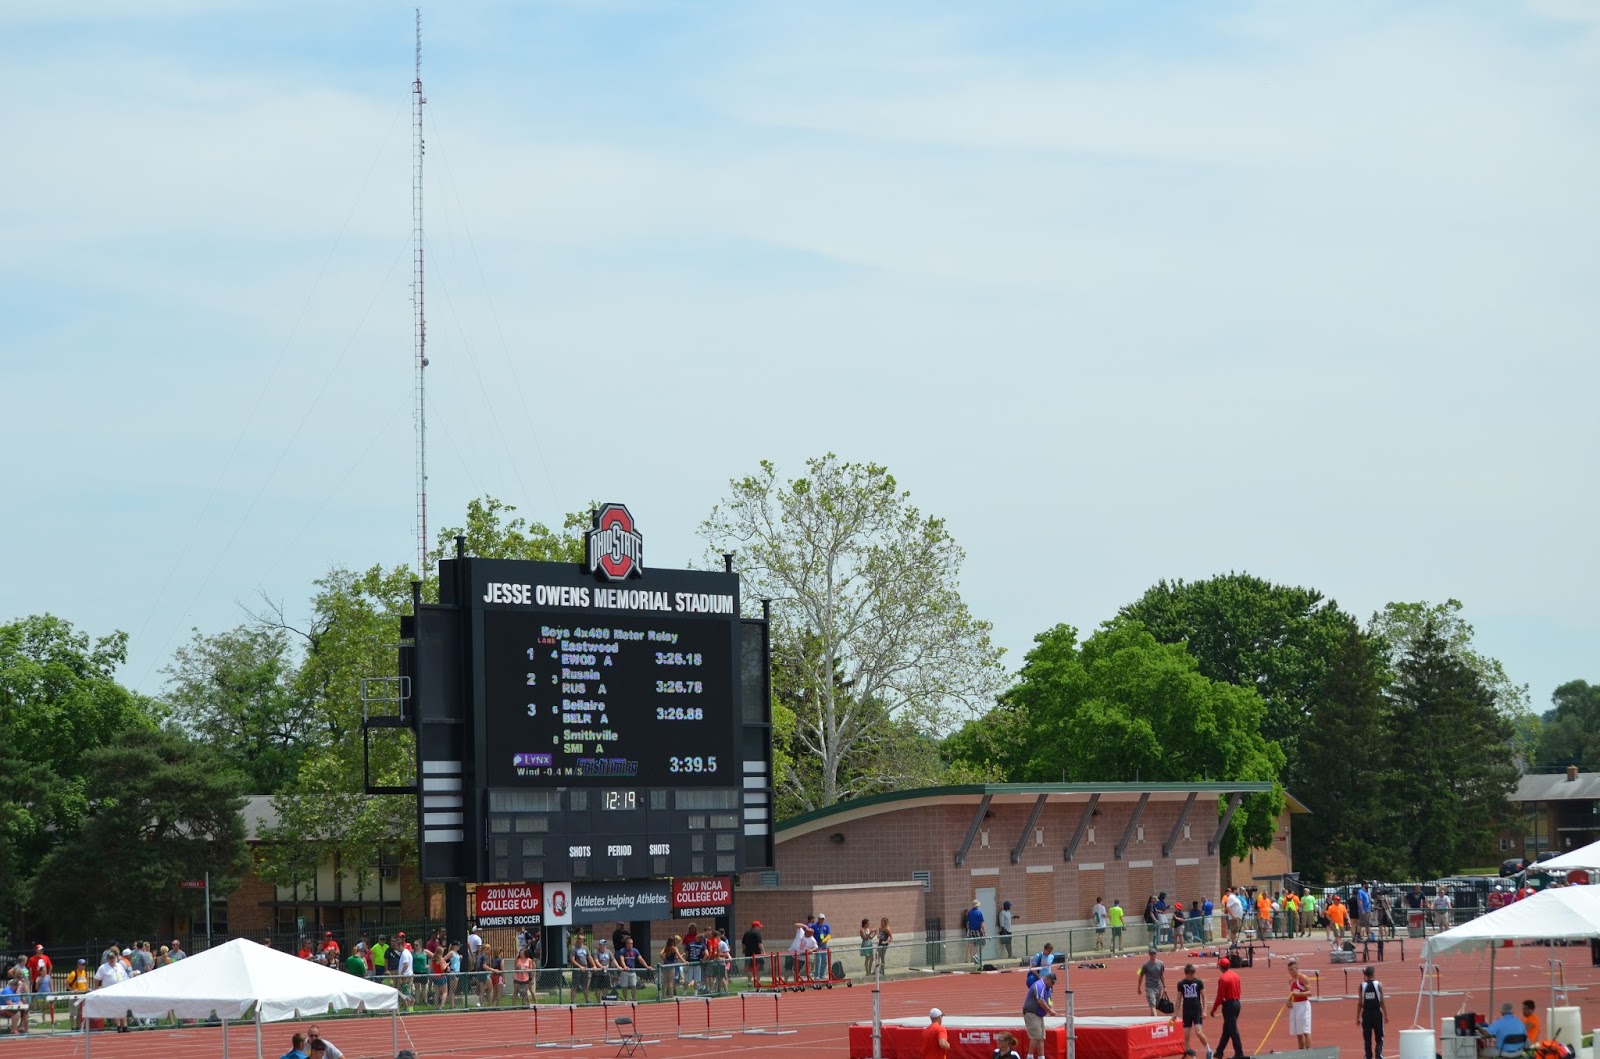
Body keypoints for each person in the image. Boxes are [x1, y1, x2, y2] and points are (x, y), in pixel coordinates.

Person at [1211, 958, 1244, 1059]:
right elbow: (1239, 990)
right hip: (1237, 1003)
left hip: (1229, 1005)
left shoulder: (1223, 979)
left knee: (1232, 1030)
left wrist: (1213, 1009)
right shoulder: (1235, 975)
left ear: (1221, 967)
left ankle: (1239, 1053)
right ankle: (1219, 1051)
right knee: (1227, 1029)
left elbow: (1220, 996)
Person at [1022, 970, 1058, 1059]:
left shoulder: (1048, 988)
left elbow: (1049, 1000)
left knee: (1041, 1037)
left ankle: (1041, 1056)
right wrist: (1050, 1011)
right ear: (1048, 979)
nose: (1053, 985)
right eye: (1052, 982)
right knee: (1035, 1036)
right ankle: (1030, 1056)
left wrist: (1052, 1008)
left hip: (1039, 1015)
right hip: (1031, 1013)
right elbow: (1040, 1001)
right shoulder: (1039, 986)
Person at [1177, 964, 1211, 1059]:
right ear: (1186, 974)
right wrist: (1175, 1013)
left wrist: (1205, 1011)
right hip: (1187, 1011)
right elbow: (1178, 999)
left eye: (1193, 974)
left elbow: (1204, 997)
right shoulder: (1181, 984)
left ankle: (1208, 1050)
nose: (1192, 975)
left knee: (1198, 1032)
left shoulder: (1198, 982)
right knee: (1186, 1035)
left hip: (1196, 1010)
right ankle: (1189, 1054)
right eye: (1190, 974)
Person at [1356, 965, 1389, 1059]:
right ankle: (1379, 1055)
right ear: (1373, 973)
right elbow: (1382, 1001)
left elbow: (1360, 1003)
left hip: (1366, 1014)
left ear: (1366, 975)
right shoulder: (1378, 985)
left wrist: (1358, 1017)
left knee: (1367, 1037)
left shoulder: (1362, 986)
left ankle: (1368, 1056)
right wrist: (1386, 1015)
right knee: (1379, 1036)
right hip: (1376, 1013)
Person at [93, 949, 129, 1032]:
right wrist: (97, 989)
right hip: (111, 991)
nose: (112, 960)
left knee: (123, 1008)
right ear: (107, 959)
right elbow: (97, 979)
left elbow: (125, 977)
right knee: (116, 1008)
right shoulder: (103, 967)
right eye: (110, 958)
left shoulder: (119, 966)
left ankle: (125, 1026)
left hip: (121, 990)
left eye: (113, 958)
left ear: (115, 958)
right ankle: (119, 1026)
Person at [1287, 957, 1313, 1050]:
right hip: (1295, 1007)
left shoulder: (1302, 978)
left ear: (1296, 969)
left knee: (1305, 1030)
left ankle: (1309, 1051)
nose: (1290, 972)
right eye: (1289, 970)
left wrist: (1299, 994)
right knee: (1298, 1032)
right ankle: (1301, 1051)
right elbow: (1292, 994)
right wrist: (1289, 1001)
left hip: (1303, 1005)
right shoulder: (1291, 980)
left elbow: (1310, 992)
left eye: (1292, 969)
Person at [616, 935, 649, 1002]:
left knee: (634, 985)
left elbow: (641, 959)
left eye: (631, 943)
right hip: (625, 972)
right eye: (629, 943)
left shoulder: (635, 951)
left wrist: (647, 966)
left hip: (632, 972)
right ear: (626, 944)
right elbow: (622, 960)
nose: (630, 945)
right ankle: (626, 999)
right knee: (624, 986)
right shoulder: (622, 951)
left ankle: (634, 999)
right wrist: (625, 966)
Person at [1137, 944, 1166, 1016]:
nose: (1153, 955)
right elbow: (1140, 975)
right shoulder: (1145, 965)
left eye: (1154, 954)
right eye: (1151, 954)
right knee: (1152, 1005)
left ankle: (1152, 1020)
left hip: (1158, 987)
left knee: (1154, 1006)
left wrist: (1165, 987)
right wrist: (1138, 987)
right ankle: (1156, 1020)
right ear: (1149, 955)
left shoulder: (1161, 963)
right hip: (1149, 988)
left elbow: (1162, 976)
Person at [966, 899, 986, 964]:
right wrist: (984, 932)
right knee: (982, 943)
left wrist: (968, 930)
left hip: (971, 930)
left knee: (971, 944)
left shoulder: (969, 913)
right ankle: (976, 955)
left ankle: (972, 957)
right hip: (978, 930)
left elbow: (968, 923)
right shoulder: (979, 913)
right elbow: (982, 923)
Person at [814, 914, 833, 979]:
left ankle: (822, 975)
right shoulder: (814, 926)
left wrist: (824, 941)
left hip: (824, 945)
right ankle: (816, 975)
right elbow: (811, 935)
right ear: (818, 919)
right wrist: (814, 942)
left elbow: (829, 935)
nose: (822, 920)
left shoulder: (826, 925)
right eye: (821, 919)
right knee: (818, 960)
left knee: (824, 960)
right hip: (817, 945)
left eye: (823, 919)